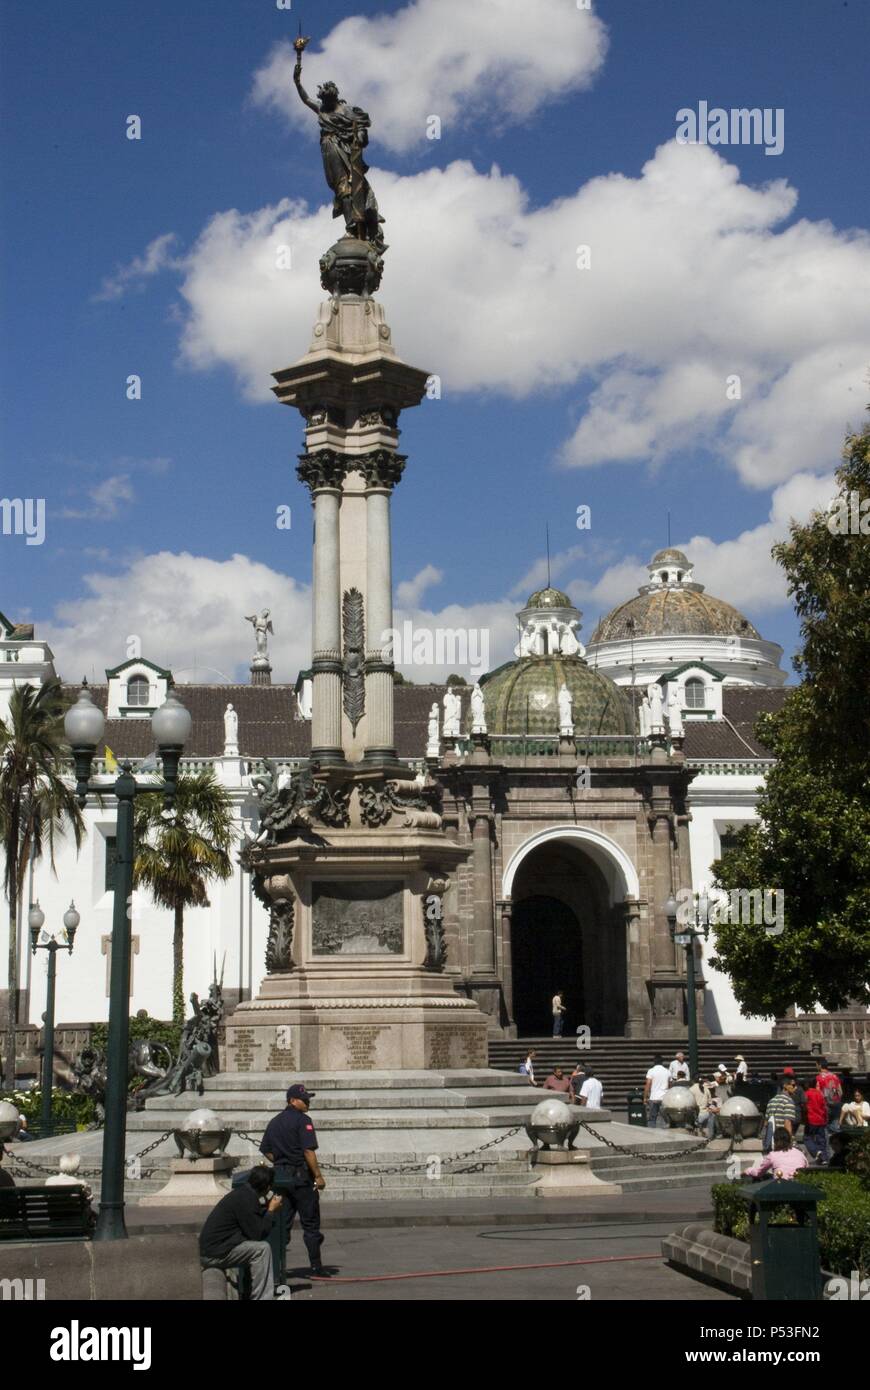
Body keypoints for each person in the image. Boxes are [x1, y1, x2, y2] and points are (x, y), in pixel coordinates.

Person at [260, 1083, 327, 1279]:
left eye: (308, 1098)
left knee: (282, 1225)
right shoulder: (303, 1120)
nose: (308, 1102)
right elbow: (308, 1151)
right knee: (311, 1224)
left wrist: (281, 1162)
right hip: (301, 1179)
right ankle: (316, 1267)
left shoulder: (274, 1122)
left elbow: (267, 1150)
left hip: (281, 1179)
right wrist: (318, 1175)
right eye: (304, 1099)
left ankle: (276, 1268)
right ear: (292, 1101)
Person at [199, 1165, 283, 1301]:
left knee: (252, 1246)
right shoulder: (246, 1199)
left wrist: (266, 1209)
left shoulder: (243, 1194)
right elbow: (258, 1234)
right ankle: (262, 1297)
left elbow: (252, 1220)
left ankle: (250, 1290)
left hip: (213, 1250)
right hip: (213, 1254)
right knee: (262, 1249)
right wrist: (271, 1210)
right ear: (268, 1187)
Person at [761, 1078, 799, 1152]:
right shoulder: (788, 1101)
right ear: (785, 1086)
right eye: (793, 1085)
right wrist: (790, 1141)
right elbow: (787, 1123)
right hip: (782, 1143)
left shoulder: (771, 1101)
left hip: (772, 1141)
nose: (795, 1087)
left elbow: (766, 1123)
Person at [802, 1080, 829, 1163]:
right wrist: (825, 1118)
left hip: (811, 1119)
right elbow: (824, 1107)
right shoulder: (819, 1094)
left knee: (807, 1138)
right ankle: (824, 1157)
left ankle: (816, 1152)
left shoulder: (807, 1093)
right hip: (820, 1119)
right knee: (821, 1139)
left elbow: (804, 1105)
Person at [815, 1060, 843, 1133]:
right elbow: (840, 1091)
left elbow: (817, 1092)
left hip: (825, 1104)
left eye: (816, 1065)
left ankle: (827, 1143)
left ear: (820, 1066)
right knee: (835, 1125)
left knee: (825, 1127)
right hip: (836, 1103)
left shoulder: (819, 1077)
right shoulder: (835, 1076)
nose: (816, 1066)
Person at [644, 1054, 670, 1129]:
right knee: (665, 1119)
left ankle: (652, 1135)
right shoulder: (667, 1071)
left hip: (654, 1097)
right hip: (664, 1098)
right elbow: (669, 1085)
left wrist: (645, 1098)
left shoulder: (651, 1071)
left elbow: (648, 1084)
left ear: (654, 1062)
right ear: (662, 1062)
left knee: (652, 1118)